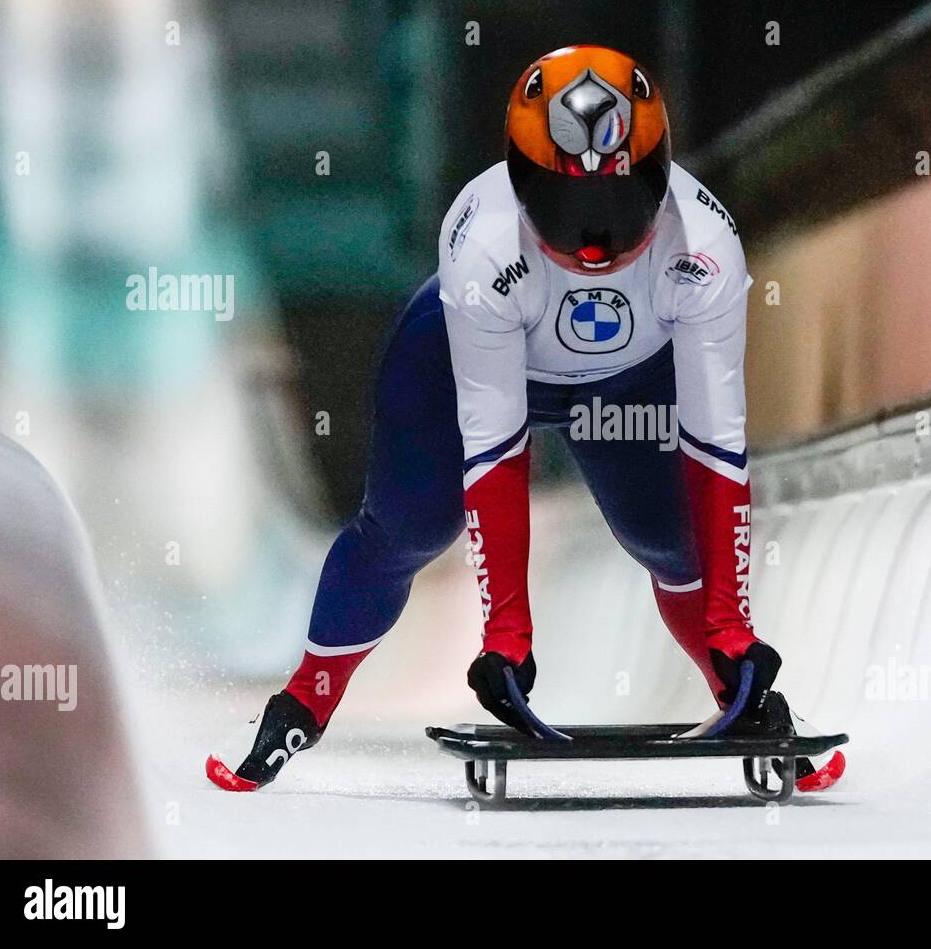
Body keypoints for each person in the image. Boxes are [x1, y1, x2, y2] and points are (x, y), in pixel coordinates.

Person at [206, 46, 843, 793]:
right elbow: (494, 451)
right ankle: (303, 702)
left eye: (622, 197)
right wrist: (508, 636)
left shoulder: (705, 248)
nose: (595, 242)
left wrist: (731, 624)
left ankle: (739, 691)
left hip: (623, 384)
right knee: (409, 525)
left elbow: (716, 445)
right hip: (463, 362)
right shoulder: (482, 245)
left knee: (673, 540)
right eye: (568, 207)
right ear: (519, 182)